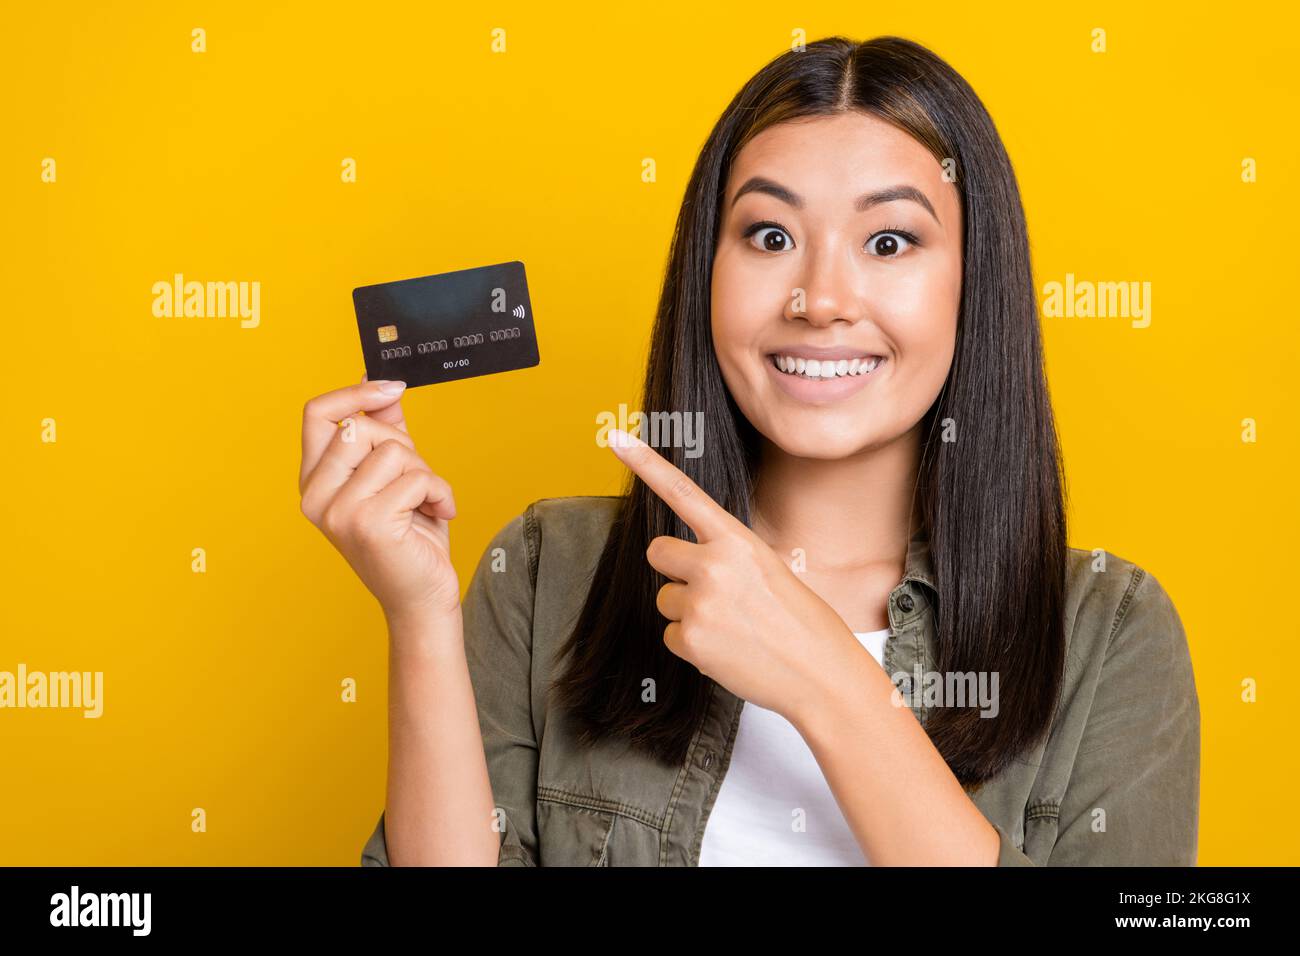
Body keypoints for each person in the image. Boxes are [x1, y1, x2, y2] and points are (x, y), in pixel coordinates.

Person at [298, 35, 1199, 866]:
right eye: (770, 236)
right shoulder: (545, 571)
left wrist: (830, 682)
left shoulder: (1110, 637)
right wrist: (418, 619)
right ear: (708, 269)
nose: (820, 298)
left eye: (890, 241)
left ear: (974, 282)